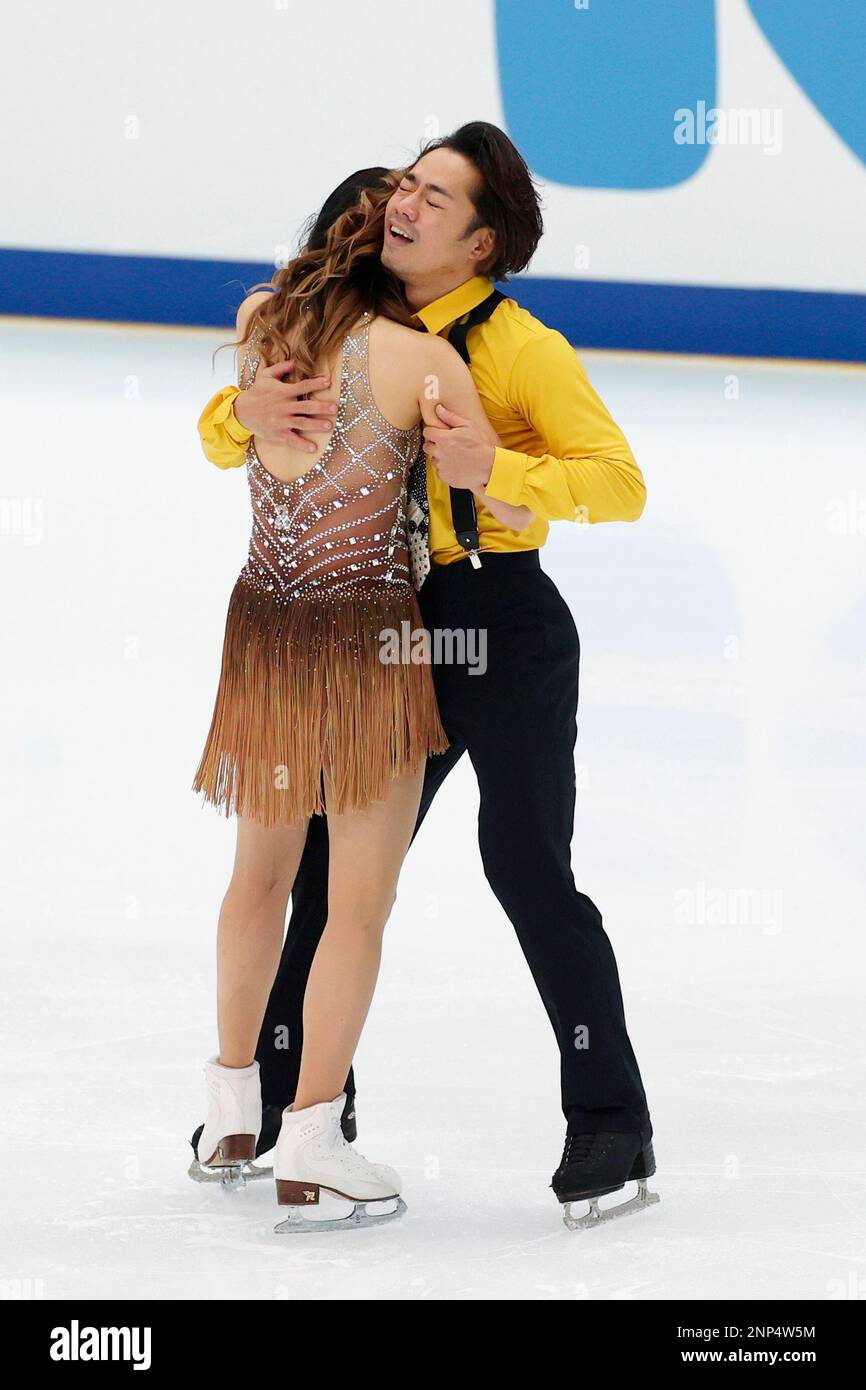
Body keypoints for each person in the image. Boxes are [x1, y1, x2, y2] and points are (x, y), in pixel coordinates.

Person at [196, 123, 659, 1229]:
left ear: (482, 240)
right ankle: (296, 1105)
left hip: (495, 624)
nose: (401, 204)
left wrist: (495, 466)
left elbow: (620, 484)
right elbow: (240, 436)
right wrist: (239, 411)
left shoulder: (515, 348)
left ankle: (609, 1119)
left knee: (524, 867)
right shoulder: (353, 326)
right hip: (384, 626)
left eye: (432, 197)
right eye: (402, 184)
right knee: (328, 870)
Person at [189, 165, 533, 1231]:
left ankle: (229, 1112)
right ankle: (312, 1140)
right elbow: (503, 499)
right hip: (372, 645)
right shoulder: (424, 361)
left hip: (266, 629)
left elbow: (231, 432)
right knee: (354, 905)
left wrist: (240, 411)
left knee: (258, 880)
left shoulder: (261, 323)